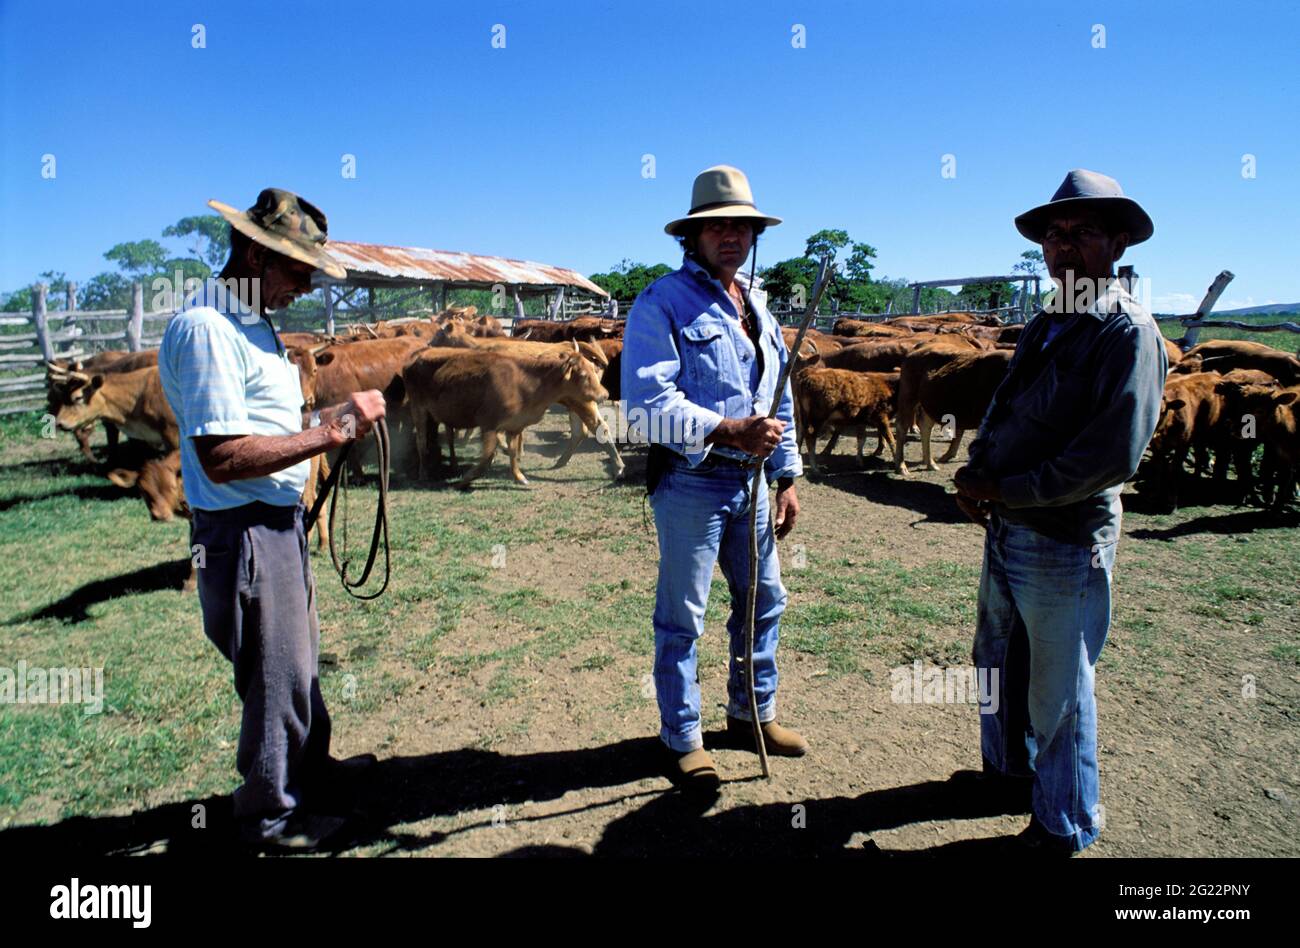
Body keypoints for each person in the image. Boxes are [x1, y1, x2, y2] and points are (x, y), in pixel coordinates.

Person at [158, 188, 386, 851]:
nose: (306, 284)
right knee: (273, 674)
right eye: (297, 270)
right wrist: (332, 431)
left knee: (295, 661)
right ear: (256, 255)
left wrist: (321, 423)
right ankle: (269, 815)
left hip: (272, 522)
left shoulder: (251, 324)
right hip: (246, 529)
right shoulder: (208, 330)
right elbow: (225, 454)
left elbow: (267, 430)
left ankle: (311, 773)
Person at [953, 169, 1167, 855]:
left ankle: (1064, 823)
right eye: (1054, 234)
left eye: (1083, 233)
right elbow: (1008, 407)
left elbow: (1109, 456)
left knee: (1059, 688)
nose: (1064, 246)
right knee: (997, 662)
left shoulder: (1125, 332)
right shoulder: (1050, 322)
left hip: (1064, 536)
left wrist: (1006, 490)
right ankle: (1012, 774)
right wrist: (979, 466)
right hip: (1009, 526)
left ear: (1119, 241)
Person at [622, 165, 807, 790]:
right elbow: (645, 405)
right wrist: (728, 431)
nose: (732, 236)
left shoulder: (756, 305)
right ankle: (684, 736)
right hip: (693, 482)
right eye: (718, 226)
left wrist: (785, 475)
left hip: (754, 484)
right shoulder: (662, 301)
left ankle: (752, 715)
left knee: (763, 601)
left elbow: (777, 395)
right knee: (684, 616)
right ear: (693, 236)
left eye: (743, 226)